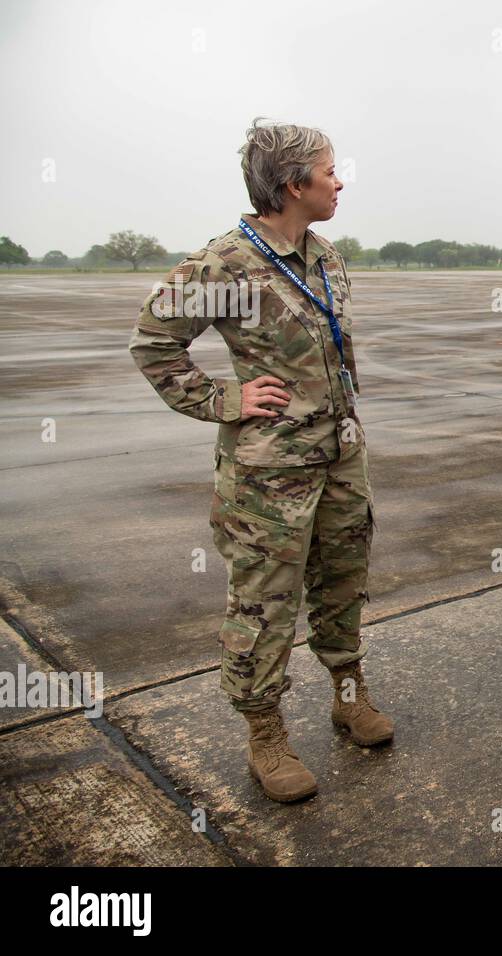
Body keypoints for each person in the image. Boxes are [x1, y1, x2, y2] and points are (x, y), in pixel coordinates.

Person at [129, 119, 392, 803]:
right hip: (270, 472)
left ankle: (348, 695)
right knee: (264, 604)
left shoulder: (326, 255)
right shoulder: (227, 265)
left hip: (339, 455)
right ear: (291, 183)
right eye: (329, 171)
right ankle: (266, 736)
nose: (340, 182)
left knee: (342, 583)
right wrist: (224, 397)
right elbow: (154, 343)